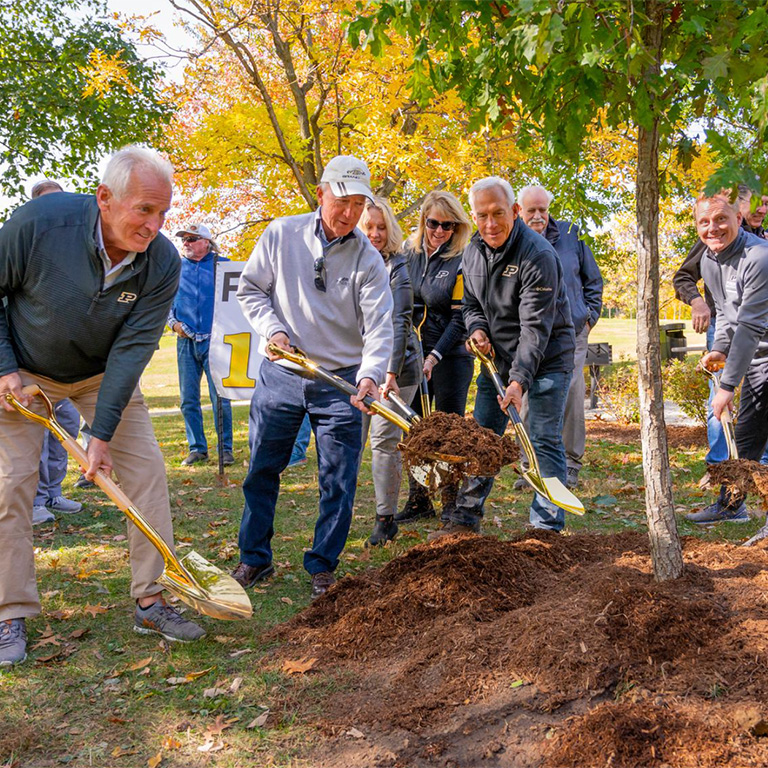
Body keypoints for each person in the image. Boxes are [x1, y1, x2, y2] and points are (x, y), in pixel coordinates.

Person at [0, 146, 206, 668]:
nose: (155, 225)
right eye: (144, 210)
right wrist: (5, 368)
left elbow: (134, 348)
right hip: (24, 373)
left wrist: (102, 433)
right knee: (12, 483)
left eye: (164, 212)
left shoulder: (161, 262)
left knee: (146, 474)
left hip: (100, 375)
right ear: (105, 199)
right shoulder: (37, 226)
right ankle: (8, 613)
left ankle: (151, 598)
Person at [232, 155, 393, 599]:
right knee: (262, 468)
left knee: (339, 478)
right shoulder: (281, 235)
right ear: (321, 194)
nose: (349, 213)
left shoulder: (369, 260)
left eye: (359, 204)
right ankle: (253, 558)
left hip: (340, 381)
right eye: (342, 201)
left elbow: (380, 325)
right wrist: (274, 330)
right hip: (282, 373)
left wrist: (370, 375)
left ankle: (323, 565)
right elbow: (250, 289)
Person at [432, 177, 575, 538]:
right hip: (496, 359)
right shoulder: (473, 250)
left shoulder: (538, 254)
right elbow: (471, 305)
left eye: (498, 213)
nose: (491, 224)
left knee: (542, 440)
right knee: (482, 436)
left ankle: (545, 528)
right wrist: (477, 330)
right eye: (482, 215)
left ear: (514, 211)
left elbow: (535, 329)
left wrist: (518, 381)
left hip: (546, 361)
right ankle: (464, 520)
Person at [684, 191, 768, 525]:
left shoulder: (759, 257)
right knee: (746, 436)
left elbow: (749, 325)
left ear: (738, 218)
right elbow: (727, 318)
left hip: (761, 349)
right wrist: (718, 349)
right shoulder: (708, 259)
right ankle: (731, 506)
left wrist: (727, 386)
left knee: (749, 432)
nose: (713, 228)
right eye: (704, 221)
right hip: (761, 359)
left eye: (721, 219)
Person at [394, 190, 473, 524]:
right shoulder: (407, 255)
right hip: (412, 355)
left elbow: (460, 318)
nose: (440, 231)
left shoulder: (462, 259)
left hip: (450, 356)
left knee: (448, 430)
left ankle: (451, 503)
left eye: (448, 225)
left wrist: (435, 355)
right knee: (414, 429)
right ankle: (419, 499)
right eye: (434, 223)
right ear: (423, 219)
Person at [518, 185, 603, 489]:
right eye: (532, 211)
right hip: (528, 332)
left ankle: (569, 465)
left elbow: (593, 280)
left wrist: (588, 317)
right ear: (520, 211)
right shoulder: (516, 239)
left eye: (543, 209)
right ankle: (531, 465)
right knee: (527, 394)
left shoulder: (571, 234)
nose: (538, 216)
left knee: (569, 394)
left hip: (571, 331)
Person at [359, 197, 422, 546]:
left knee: (383, 442)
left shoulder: (398, 266)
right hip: (357, 368)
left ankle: (385, 519)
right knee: (352, 439)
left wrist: (390, 372)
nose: (375, 234)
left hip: (397, 370)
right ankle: (337, 511)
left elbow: (400, 320)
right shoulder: (348, 261)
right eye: (369, 227)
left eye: (381, 227)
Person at [24, 180, 84, 524]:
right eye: (49, 203)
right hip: (31, 362)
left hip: (65, 362)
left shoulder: (74, 251)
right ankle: (32, 501)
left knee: (65, 426)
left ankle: (53, 493)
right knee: (34, 434)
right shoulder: (25, 244)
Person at [169, 223, 234, 467]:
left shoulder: (224, 266)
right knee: (188, 399)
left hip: (215, 342)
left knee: (220, 398)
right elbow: (164, 303)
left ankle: (225, 449)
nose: (186, 243)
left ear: (206, 242)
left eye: (192, 239)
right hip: (185, 342)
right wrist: (173, 324)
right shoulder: (174, 268)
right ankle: (197, 448)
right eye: (184, 239)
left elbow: (240, 300)